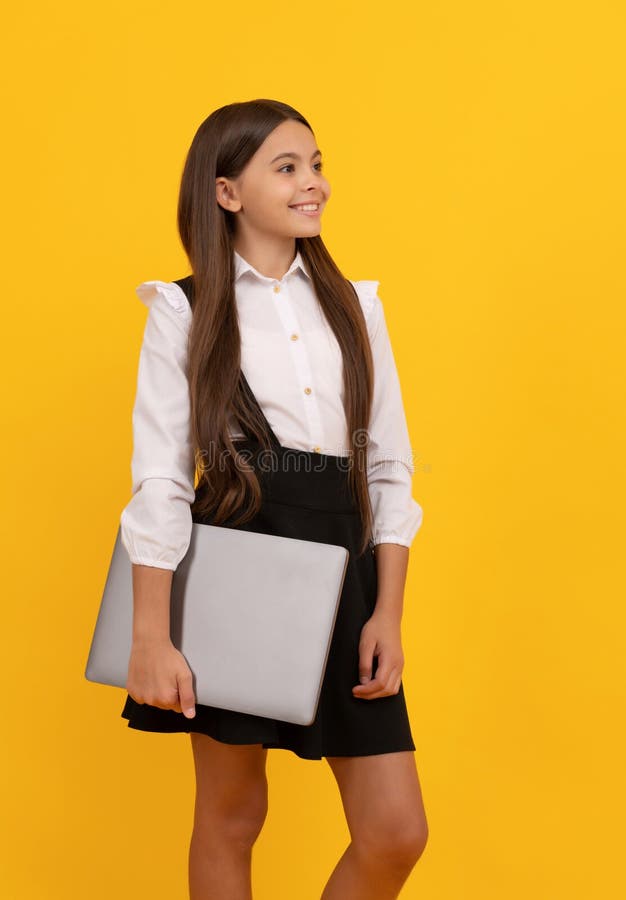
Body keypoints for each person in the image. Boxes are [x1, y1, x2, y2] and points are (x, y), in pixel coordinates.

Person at [119, 98, 429, 899]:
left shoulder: (357, 307)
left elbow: (389, 470)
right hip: (236, 554)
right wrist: (150, 638)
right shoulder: (185, 309)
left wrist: (387, 612)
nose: (312, 183)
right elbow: (159, 479)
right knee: (231, 815)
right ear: (228, 193)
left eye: (317, 164)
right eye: (287, 168)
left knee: (395, 831)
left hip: (342, 561)